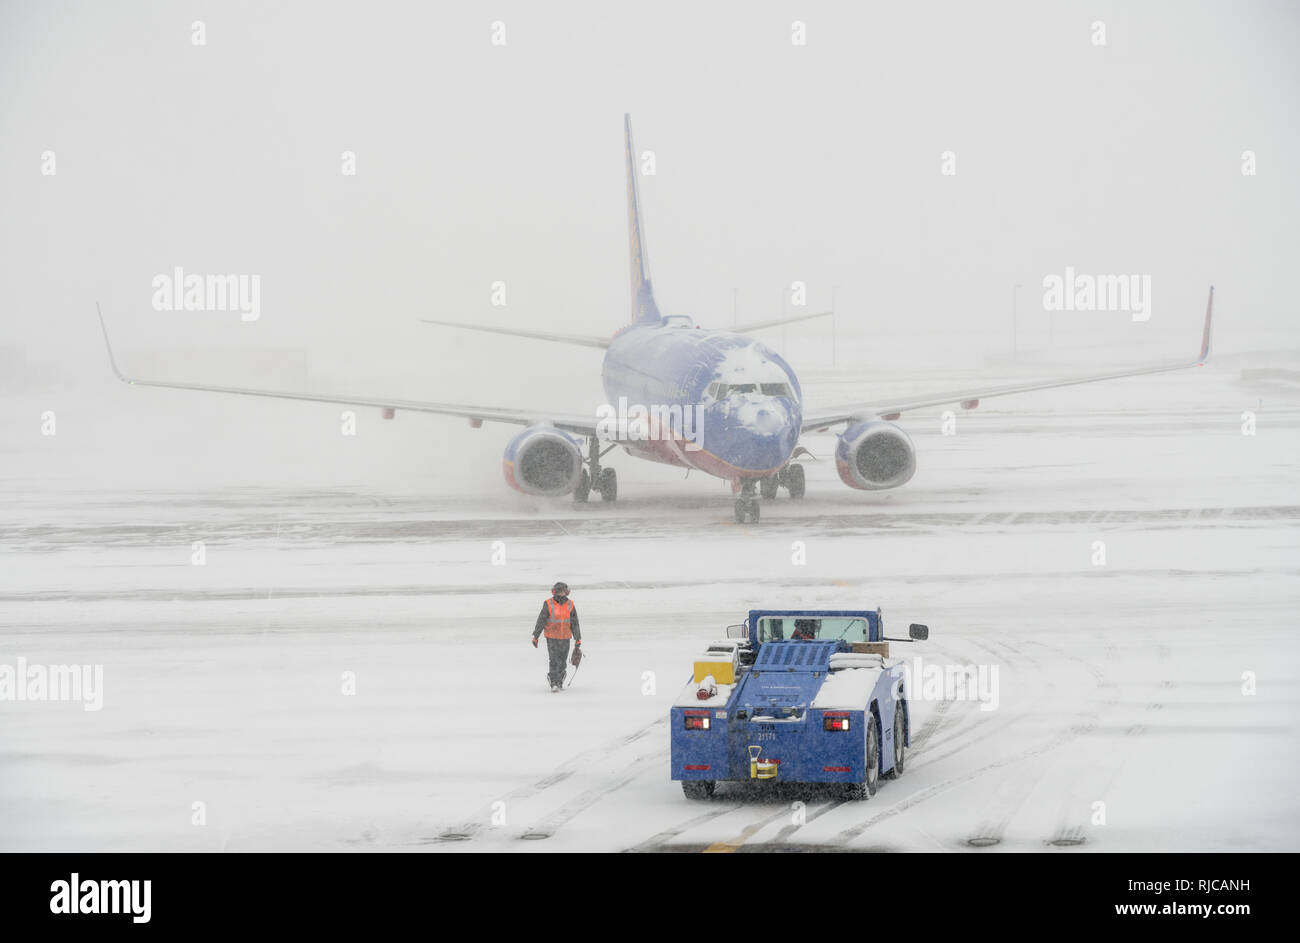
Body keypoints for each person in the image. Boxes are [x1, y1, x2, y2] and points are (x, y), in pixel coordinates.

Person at [531, 582, 582, 692]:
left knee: (562, 661)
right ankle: (553, 682)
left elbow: (575, 623)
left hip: (565, 637)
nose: (561, 593)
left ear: (566, 592)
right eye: (559, 591)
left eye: (563, 591)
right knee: (554, 660)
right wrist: (536, 636)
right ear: (554, 591)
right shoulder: (548, 604)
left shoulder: (570, 604)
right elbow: (541, 621)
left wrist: (578, 638)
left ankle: (559, 682)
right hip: (552, 638)